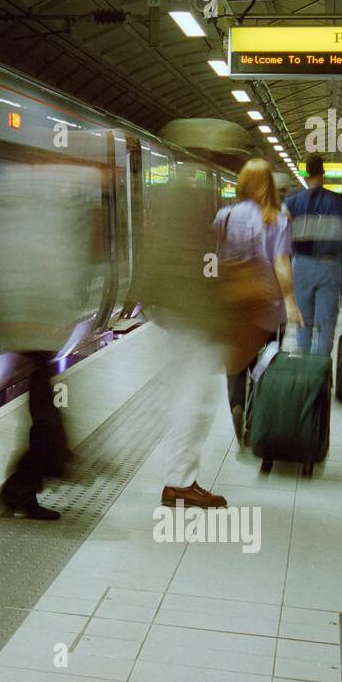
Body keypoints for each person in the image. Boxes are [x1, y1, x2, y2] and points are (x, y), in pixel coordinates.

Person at [0, 161, 89, 520]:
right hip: (32, 333)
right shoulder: (31, 224)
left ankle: (28, 485)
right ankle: (21, 487)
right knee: (45, 418)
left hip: (29, 332)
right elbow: (43, 275)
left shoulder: (6, 219)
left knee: (45, 414)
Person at [134, 163, 232, 509]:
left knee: (189, 395)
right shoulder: (192, 204)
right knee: (197, 398)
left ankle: (179, 478)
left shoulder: (175, 201)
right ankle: (179, 482)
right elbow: (201, 269)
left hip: (176, 314)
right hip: (189, 317)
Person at [215, 157, 303, 442]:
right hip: (268, 305)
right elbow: (281, 263)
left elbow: (211, 260)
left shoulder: (224, 217)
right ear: (269, 185)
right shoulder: (279, 218)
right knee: (266, 359)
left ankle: (237, 406)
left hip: (233, 302)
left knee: (236, 362)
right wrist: (290, 301)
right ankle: (256, 418)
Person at [284, 154, 342, 355]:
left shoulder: (292, 202)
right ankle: (320, 372)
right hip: (329, 266)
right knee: (326, 324)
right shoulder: (341, 202)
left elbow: (283, 237)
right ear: (324, 173)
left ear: (306, 175)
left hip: (301, 266)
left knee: (303, 321)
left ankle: (304, 371)